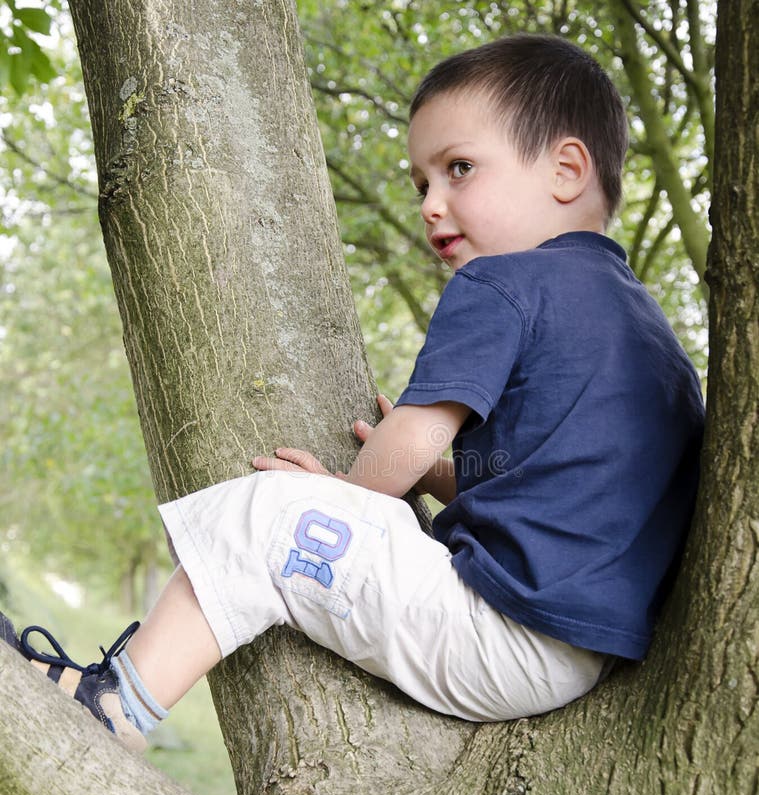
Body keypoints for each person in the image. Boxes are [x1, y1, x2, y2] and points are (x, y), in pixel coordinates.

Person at [1, 34, 705, 753]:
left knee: (266, 518)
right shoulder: (650, 339)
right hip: (576, 653)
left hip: (497, 627)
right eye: (421, 185)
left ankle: (114, 703)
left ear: (565, 169)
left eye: (459, 169)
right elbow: (558, 482)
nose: (431, 205)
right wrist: (431, 477)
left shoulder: (504, 282)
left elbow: (419, 431)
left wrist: (345, 491)